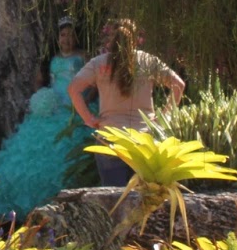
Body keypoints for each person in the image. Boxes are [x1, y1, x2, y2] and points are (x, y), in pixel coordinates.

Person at [0, 16, 89, 220]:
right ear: (58, 38)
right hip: (54, 108)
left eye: (70, 35)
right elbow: (39, 81)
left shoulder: (83, 56)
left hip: (76, 108)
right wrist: (42, 97)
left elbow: (93, 83)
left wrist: (86, 101)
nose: (66, 39)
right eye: (63, 35)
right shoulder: (53, 59)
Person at [68, 17, 185, 187]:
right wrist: (163, 118)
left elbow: (73, 89)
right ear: (136, 39)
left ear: (111, 39)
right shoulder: (148, 61)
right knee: (143, 201)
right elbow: (178, 85)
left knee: (115, 201)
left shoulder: (99, 63)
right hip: (145, 140)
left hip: (111, 138)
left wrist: (89, 119)